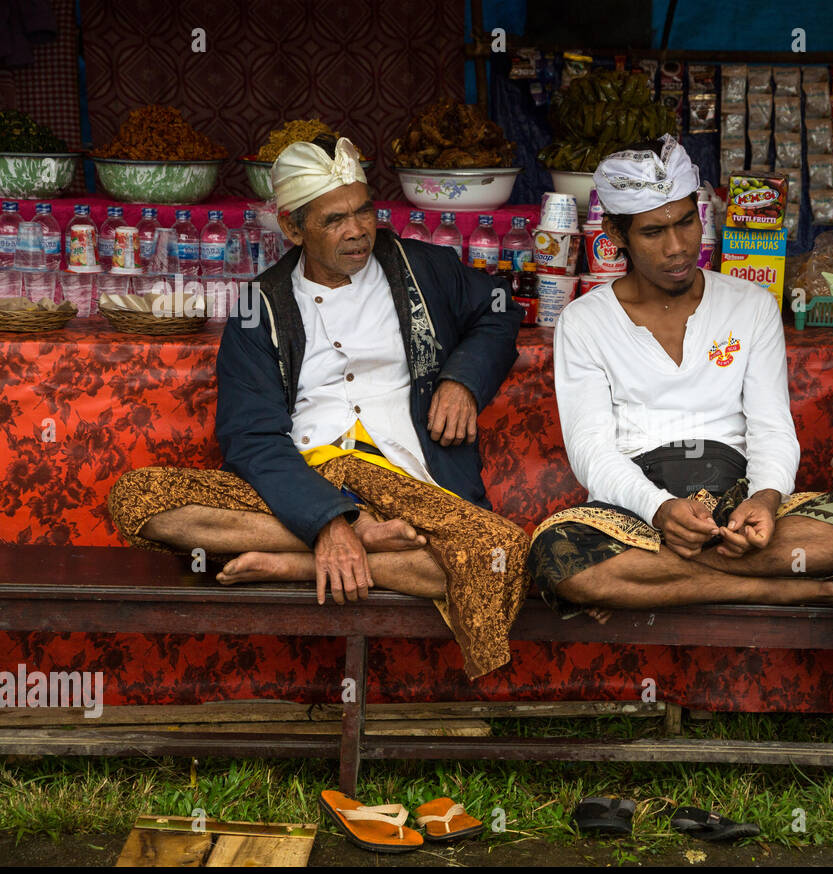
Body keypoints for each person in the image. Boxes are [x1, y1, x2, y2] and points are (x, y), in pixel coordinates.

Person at [108, 135, 528, 679]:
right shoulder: (261, 307)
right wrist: (330, 522)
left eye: (364, 212)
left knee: (502, 553)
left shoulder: (422, 267)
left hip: (408, 474)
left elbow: (499, 311)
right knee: (138, 497)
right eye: (333, 220)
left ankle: (295, 565)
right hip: (303, 478)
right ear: (292, 227)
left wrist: (462, 381)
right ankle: (361, 535)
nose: (357, 230)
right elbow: (251, 438)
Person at [527, 135, 833, 620]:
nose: (678, 246)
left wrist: (766, 500)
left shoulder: (750, 305)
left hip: (739, 502)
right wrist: (660, 509)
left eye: (687, 221)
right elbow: (592, 451)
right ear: (616, 235)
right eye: (652, 233)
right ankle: (780, 589)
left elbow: (772, 428)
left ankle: (672, 578)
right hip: (638, 513)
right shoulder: (584, 321)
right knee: (556, 556)